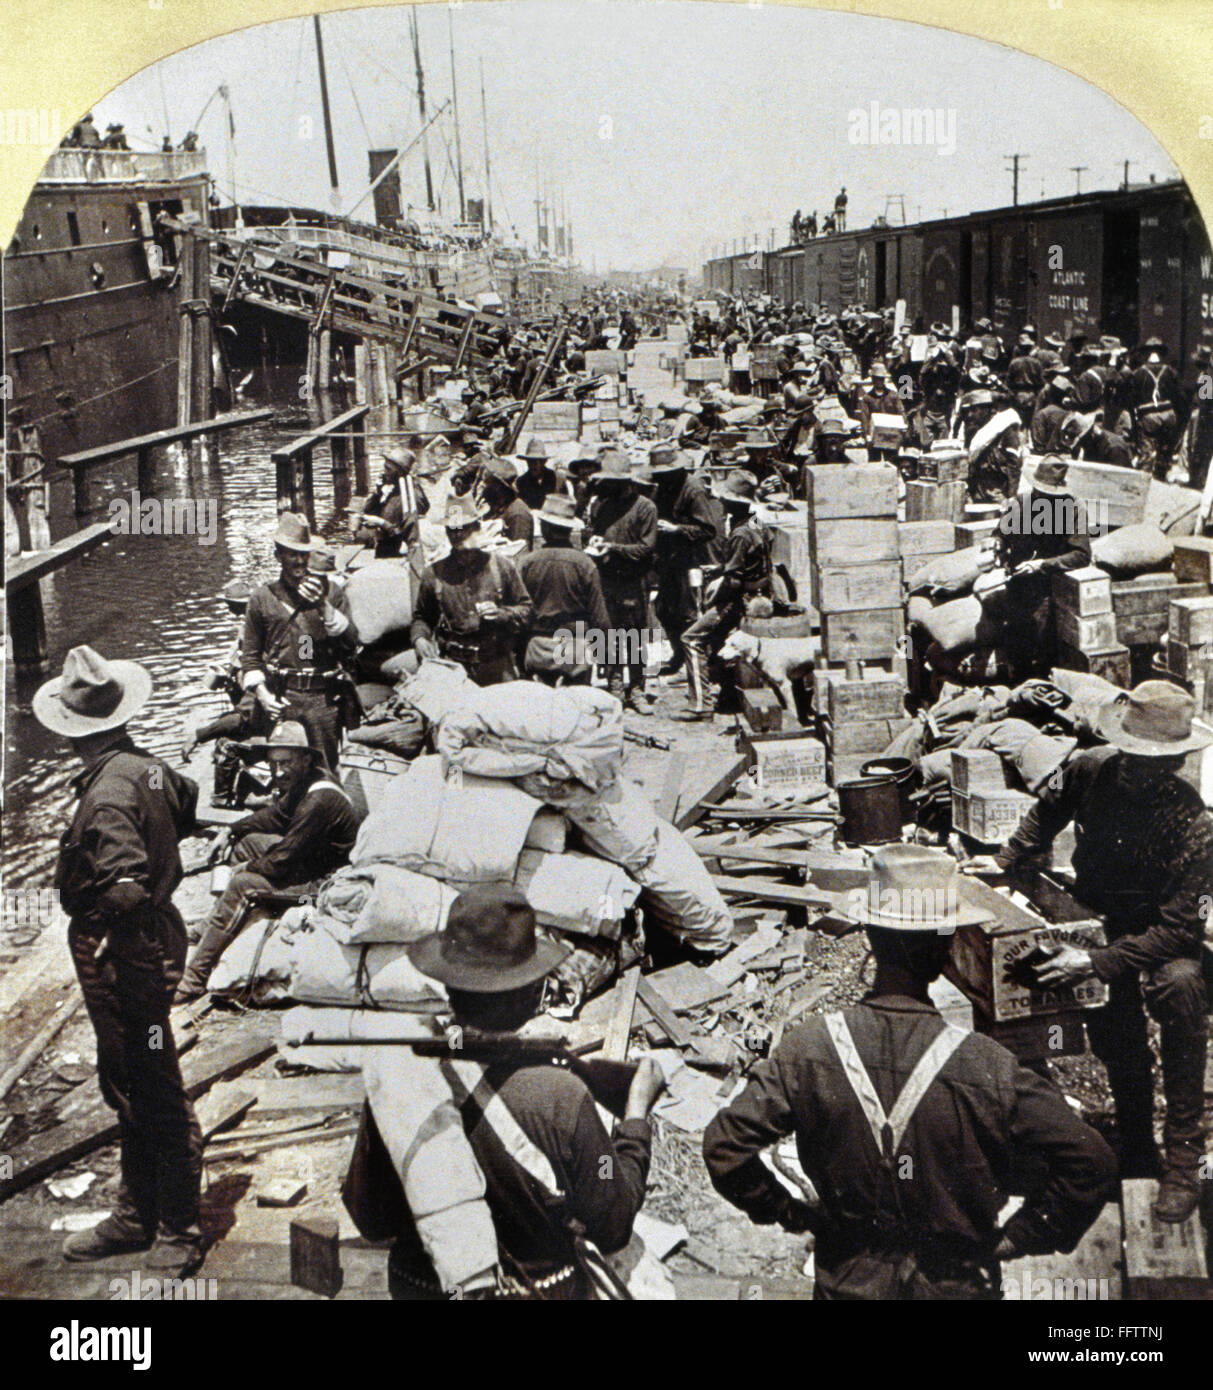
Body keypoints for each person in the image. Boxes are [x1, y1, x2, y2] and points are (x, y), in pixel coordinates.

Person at [705, 845, 1117, 1299]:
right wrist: (1021, 1236)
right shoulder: (989, 1065)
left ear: (871, 938)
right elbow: (1093, 1161)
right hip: (954, 1282)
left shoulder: (807, 1049)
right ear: (946, 948)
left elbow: (724, 1147)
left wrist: (789, 1212)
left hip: (848, 1281)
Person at [346, 885, 664, 1300]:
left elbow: (370, 1219)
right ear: (535, 994)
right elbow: (612, 1221)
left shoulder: (400, 1083)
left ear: (448, 986)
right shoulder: (562, 1096)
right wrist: (635, 1122)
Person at [996, 683, 1213, 1222]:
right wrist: (1010, 866)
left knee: (1181, 987)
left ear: (1178, 760)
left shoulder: (1195, 823)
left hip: (1162, 937)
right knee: (1115, 1027)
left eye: (1158, 764)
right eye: (1136, 760)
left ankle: (1183, 1158)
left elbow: (1179, 931)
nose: (1143, 773)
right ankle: (1135, 1142)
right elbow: (1044, 814)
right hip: (1098, 915)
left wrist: (1094, 962)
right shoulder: (1091, 768)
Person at [34, 647, 205, 1272]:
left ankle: (179, 1227)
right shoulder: (146, 768)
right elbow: (185, 801)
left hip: (125, 958)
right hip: (150, 939)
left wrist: (120, 930)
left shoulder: (105, 796)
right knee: (129, 1077)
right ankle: (138, 1213)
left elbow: (126, 885)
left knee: (152, 1080)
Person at [177, 721, 361, 1000]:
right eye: (274, 764)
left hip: (324, 883)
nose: (279, 771)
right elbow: (275, 815)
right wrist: (233, 829)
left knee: (242, 883)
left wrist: (244, 868)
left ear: (306, 758)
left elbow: (281, 861)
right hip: (310, 861)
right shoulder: (308, 780)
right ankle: (210, 928)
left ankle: (194, 979)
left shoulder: (318, 800)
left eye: (286, 762)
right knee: (248, 843)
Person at [240, 513, 359, 772]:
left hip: (321, 698)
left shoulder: (332, 593)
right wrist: (263, 695)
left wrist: (323, 607)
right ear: (278, 556)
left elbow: (351, 645)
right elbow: (249, 657)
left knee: (324, 770)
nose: (299, 561)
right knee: (283, 772)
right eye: (292, 554)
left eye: (304, 554)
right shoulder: (262, 599)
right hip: (283, 697)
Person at [411, 494, 534, 685]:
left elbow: (527, 610)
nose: (457, 534)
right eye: (452, 529)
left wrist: (501, 614)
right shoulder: (434, 574)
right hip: (454, 669)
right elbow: (422, 618)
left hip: (496, 666)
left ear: (477, 528)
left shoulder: (501, 566)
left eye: (463, 528)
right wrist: (420, 638)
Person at [679, 470, 772, 721]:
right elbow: (752, 562)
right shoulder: (756, 524)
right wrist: (723, 569)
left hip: (739, 600)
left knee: (691, 638)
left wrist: (715, 592)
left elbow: (734, 581)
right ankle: (728, 694)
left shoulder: (739, 534)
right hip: (760, 595)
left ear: (732, 502)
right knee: (719, 639)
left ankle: (700, 704)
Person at [987, 456, 1091, 675]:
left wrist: (1042, 565)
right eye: (1040, 494)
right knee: (1015, 644)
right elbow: (1001, 533)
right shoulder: (1021, 503)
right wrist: (995, 543)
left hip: (1048, 590)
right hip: (1017, 585)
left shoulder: (1073, 510)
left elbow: (1081, 555)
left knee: (1041, 649)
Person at [584, 452, 659, 714]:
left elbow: (646, 549)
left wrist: (613, 548)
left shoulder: (645, 507)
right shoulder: (601, 506)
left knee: (635, 637)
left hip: (633, 581)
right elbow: (595, 533)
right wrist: (594, 543)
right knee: (608, 634)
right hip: (606, 579)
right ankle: (615, 684)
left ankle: (637, 688)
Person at [518, 493, 612, 685]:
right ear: (570, 529)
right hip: (575, 648)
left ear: (544, 527)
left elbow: (518, 612)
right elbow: (599, 616)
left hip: (538, 647)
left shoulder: (526, 563)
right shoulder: (584, 564)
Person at [650, 443, 725, 677]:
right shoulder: (664, 488)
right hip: (671, 559)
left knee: (692, 613)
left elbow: (707, 530)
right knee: (664, 609)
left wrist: (677, 529)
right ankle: (678, 654)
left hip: (693, 561)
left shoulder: (693, 490)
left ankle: (700, 664)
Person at [355, 447, 428, 558]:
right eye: (385, 468)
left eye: (388, 470)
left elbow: (410, 535)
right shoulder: (391, 489)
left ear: (400, 472)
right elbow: (366, 509)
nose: (384, 472)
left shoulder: (410, 496)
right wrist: (377, 493)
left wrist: (382, 523)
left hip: (394, 554)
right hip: (380, 545)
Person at [1129, 338, 1185, 477]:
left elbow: (1132, 398)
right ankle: (1162, 475)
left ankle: (1146, 476)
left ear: (1146, 353)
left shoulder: (1138, 373)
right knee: (1165, 448)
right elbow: (1178, 396)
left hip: (1149, 416)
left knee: (1147, 449)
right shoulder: (1170, 372)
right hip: (1168, 414)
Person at [1060, 410, 1133, 467]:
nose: (1082, 446)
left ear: (1091, 434)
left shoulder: (1114, 448)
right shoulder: (1092, 445)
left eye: (1083, 442)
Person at [514, 438, 559, 513]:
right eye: (530, 461)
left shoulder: (554, 477)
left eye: (537, 462)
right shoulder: (522, 482)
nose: (533, 465)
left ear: (544, 462)